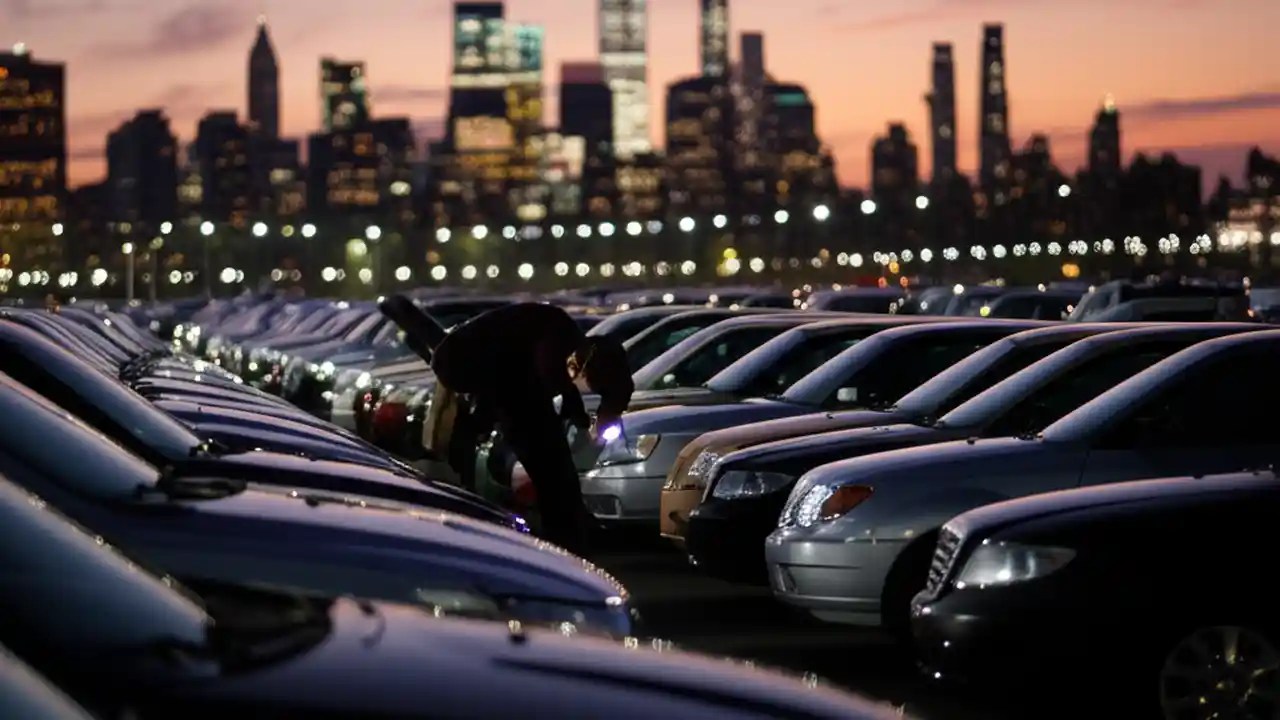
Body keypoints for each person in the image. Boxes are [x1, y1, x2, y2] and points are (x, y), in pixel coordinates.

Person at [380, 296, 633, 554]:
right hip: (498, 382)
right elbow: (542, 377)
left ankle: (568, 532)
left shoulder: (549, 341)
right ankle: (567, 536)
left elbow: (538, 379)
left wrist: (577, 409)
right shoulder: (551, 343)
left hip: (490, 374)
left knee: (551, 470)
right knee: (552, 471)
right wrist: (573, 407)